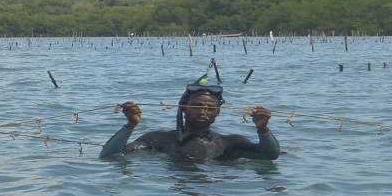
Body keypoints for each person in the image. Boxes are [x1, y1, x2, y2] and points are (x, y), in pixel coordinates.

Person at [99, 82, 280, 161]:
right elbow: (110, 156)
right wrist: (130, 125)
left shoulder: (230, 143)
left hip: (218, 187)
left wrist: (263, 130)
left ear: (218, 113)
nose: (203, 112)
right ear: (184, 108)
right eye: (197, 106)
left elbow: (269, 155)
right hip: (177, 190)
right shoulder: (159, 139)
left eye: (210, 109)